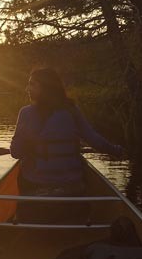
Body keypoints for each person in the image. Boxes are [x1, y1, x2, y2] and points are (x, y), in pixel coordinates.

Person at [10, 67, 125, 198]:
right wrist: (116, 150)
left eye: (32, 84)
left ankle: (24, 211)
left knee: (23, 170)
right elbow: (94, 140)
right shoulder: (72, 110)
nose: (27, 89)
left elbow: (15, 152)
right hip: (73, 185)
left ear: (46, 87)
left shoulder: (25, 113)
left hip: (36, 184)